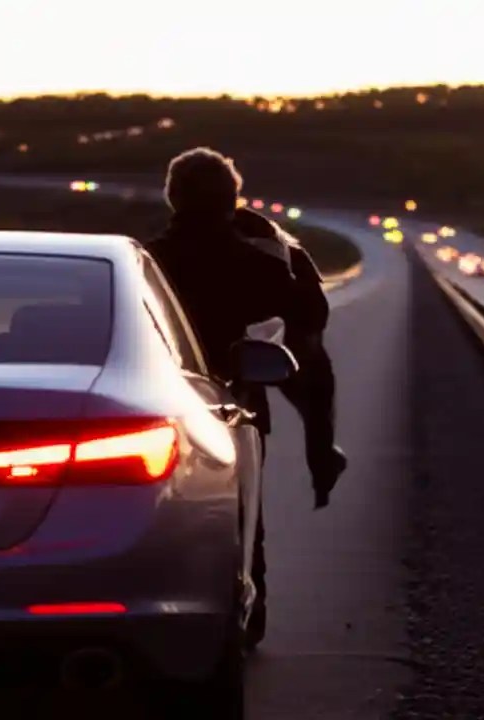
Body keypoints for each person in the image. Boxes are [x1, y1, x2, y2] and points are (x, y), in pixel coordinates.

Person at [144, 147, 347, 647]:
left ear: (172, 199)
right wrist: (320, 448)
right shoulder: (263, 263)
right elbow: (310, 346)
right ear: (232, 199)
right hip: (236, 409)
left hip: (153, 412)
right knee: (241, 523)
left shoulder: (144, 267)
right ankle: (242, 618)